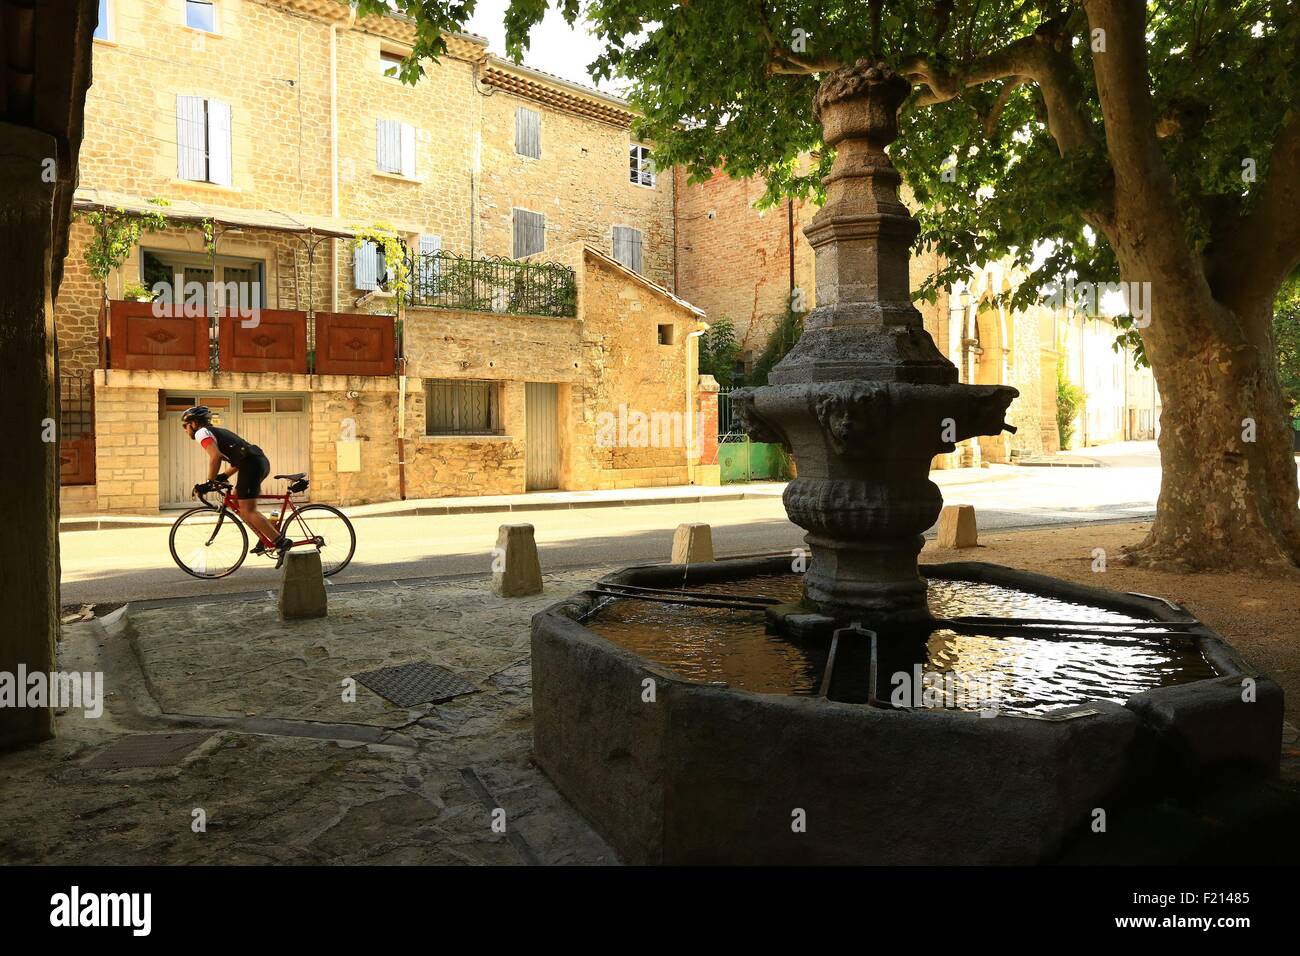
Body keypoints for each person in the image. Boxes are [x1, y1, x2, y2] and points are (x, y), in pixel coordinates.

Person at [180, 406, 293, 567]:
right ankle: (267, 536)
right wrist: (223, 476)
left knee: (248, 510)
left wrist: (209, 482)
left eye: (185, 426)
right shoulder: (217, 431)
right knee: (240, 503)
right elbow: (239, 458)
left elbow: (215, 457)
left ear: (194, 423)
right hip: (255, 462)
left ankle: (281, 543)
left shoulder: (201, 433)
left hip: (252, 465)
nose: (185, 430)